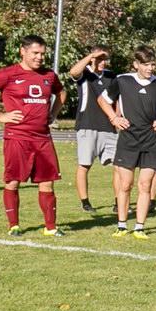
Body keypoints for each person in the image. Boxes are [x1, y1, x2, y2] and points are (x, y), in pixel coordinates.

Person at [0, 34, 64, 236]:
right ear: (23, 51)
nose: (39, 57)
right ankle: (13, 225)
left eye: (42, 53)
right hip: (17, 136)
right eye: (35, 53)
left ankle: (50, 227)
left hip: (42, 137)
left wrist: (53, 113)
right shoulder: (9, 73)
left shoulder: (49, 75)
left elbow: (62, 93)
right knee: (13, 180)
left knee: (47, 182)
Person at [101, 48, 156, 236]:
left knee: (145, 185)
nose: (150, 68)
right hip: (128, 140)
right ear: (136, 64)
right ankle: (121, 225)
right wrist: (114, 118)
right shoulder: (122, 80)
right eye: (145, 64)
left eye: (152, 64)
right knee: (125, 184)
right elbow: (102, 100)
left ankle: (139, 227)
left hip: (152, 141)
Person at [66, 45, 118, 211]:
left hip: (109, 127)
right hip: (87, 125)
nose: (102, 62)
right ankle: (85, 202)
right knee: (85, 164)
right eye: (99, 59)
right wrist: (91, 56)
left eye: (105, 59)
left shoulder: (111, 76)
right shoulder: (85, 73)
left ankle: (119, 202)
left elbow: (117, 99)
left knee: (119, 166)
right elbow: (73, 72)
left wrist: (118, 118)